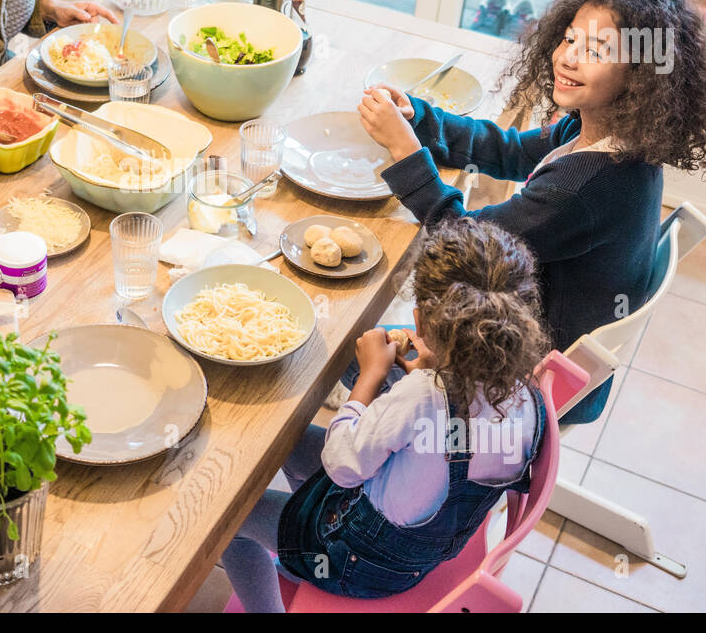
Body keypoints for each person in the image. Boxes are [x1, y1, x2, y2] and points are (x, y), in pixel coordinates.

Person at [358, 0, 706, 423]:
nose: (568, 57)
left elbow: (461, 240)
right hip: (534, 336)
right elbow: (510, 150)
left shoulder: (584, 190)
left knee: (352, 348)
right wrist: (419, 118)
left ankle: (358, 478)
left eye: (595, 51)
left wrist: (405, 153)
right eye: (570, 38)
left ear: (641, 78)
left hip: (524, 382)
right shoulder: (597, 132)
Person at [222, 219, 550, 612]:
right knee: (289, 438)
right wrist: (426, 370)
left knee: (228, 523)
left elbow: (341, 466)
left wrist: (371, 376)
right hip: (429, 548)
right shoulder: (525, 392)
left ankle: (294, 571)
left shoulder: (421, 396)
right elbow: (452, 432)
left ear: (421, 322)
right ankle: (298, 541)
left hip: (362, 567)